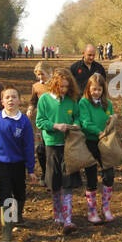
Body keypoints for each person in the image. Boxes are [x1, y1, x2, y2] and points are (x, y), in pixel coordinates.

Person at [0, 87, 38, 242]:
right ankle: (6, 230)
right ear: (2, 101)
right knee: (5, 195)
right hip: (1, 163)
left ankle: (18, 216)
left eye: (14, 97)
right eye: (7, 97)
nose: (11, 100)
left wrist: (31, 169)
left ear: (19, 100)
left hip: (18, 163)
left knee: (19, 193)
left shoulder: (24, 121)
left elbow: (28, 146)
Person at [36, 68, 83, 233]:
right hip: (52, 144)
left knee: (68, 180)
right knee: (55, 181)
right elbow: (40, 121)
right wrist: (55, 126)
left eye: (66, 87)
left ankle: (68, 219)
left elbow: (77, 115)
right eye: (61, 86)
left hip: (68, 145)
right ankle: (58, 215)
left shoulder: (71, 100)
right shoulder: (44, 100)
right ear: (54, 85)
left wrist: (76, 124)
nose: (63, 89)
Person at [77, 72, 117, 224]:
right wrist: (98, 132)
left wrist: (110, 125)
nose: (96, 92)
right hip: (91, 142)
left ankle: (106, 207)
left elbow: (110, 118)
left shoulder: (107, 104)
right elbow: (85, 122)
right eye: (94, 89)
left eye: (99, 90)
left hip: (105, 142)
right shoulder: (84, 103)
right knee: (91, 176)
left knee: (109, 174)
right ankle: (92, 210)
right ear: (88, 89)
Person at [27, 60, 53, 185]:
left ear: (49, 72)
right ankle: (45, 173)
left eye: (42, 74)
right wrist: (30, 109)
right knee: (40, 149)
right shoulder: (36, 86)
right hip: (42, 121)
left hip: (56, 119)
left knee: (53, 148)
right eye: (38, 74)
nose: (40, 77)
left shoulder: (56, 84)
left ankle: (55, 174)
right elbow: (33, 101)